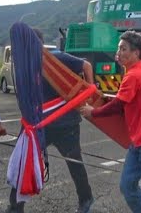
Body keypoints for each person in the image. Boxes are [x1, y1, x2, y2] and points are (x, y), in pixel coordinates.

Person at [84, 31, 141, 213]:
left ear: (136, 53)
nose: (119, 52)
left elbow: (118, 104)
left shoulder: (134, 75)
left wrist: (93, 112)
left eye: (123, 49)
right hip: (140, 143)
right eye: (118, 48)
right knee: (127, 186)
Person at [7, 34, 93, 213]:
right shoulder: (26, 65)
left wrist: (89, 91)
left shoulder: (56, 58)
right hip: (38, 124)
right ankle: (15, 206)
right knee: (23, 161)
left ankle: (86, 199)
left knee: (75, 163)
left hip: (65, 124)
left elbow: (86, 65)